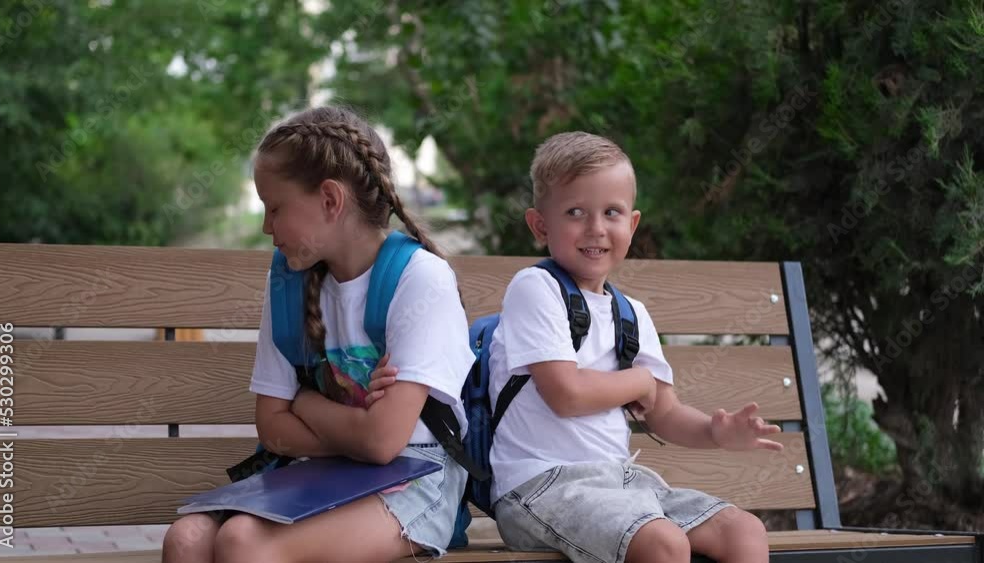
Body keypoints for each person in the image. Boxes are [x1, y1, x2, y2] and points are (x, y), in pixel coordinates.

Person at [162, 106, 474, 563]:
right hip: (318, 472)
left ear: (330, 200)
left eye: (275, 209)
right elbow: (273, 429)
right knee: (186, 540)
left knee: (243, 543)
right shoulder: (291, 280)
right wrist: (360, 429)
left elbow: (385, 444)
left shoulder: (419, 278)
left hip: (416, 481)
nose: (267, 228)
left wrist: (304, 403)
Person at [487, 131, 783, 563]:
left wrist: (715, 433)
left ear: (633, 223)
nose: (596, 228)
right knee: (662, 543)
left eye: (612, 212)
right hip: (540, 486)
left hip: (622, 484)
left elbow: (663, 411)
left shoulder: (631, 315)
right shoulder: (536, 288)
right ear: (539, 225)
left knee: (744, 532)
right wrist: (639, 380)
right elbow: (566, 395)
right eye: (575, 212)